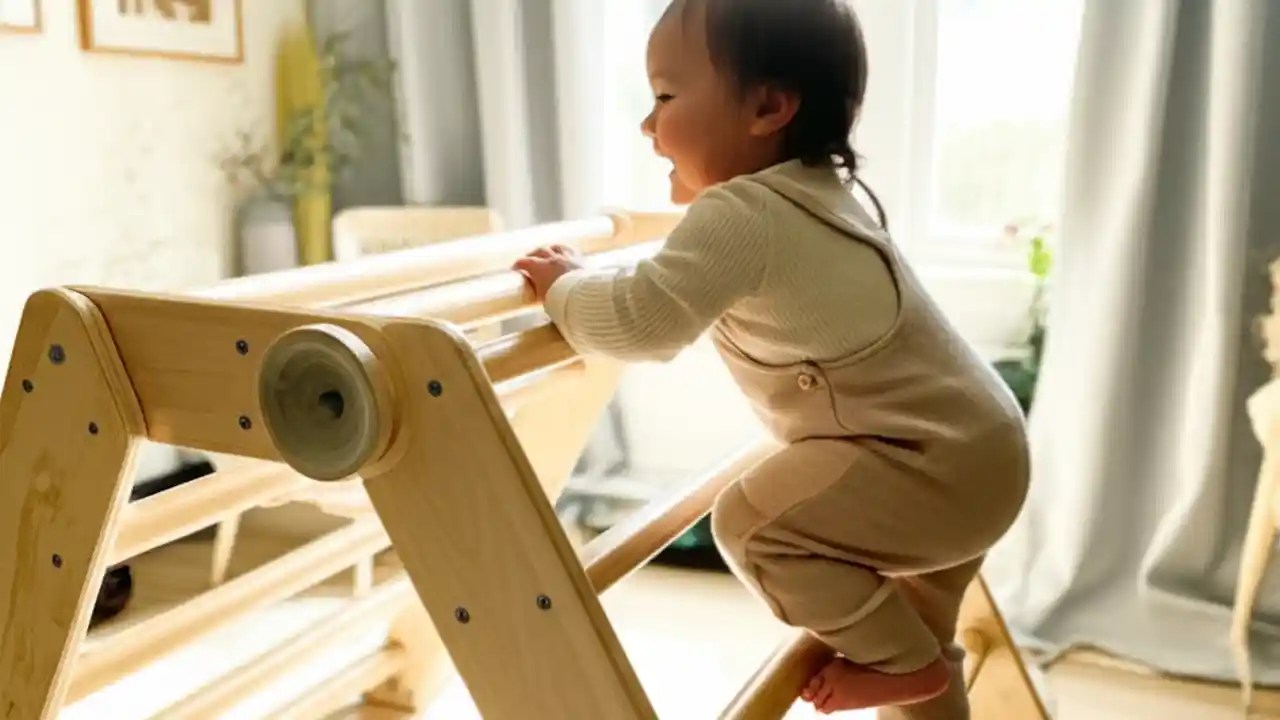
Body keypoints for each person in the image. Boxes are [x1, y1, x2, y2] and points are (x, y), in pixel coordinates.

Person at [514, 1, 1029, 716]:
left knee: (752, 525)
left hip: (923, 464)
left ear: (767, 106)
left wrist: (564, 286)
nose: (646, 125)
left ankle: (898, 661)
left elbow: (642, 323)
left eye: (665, 96)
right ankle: (915, 664)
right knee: (921, 622)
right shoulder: (820, 195)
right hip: (982, 452)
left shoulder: (742, 214)